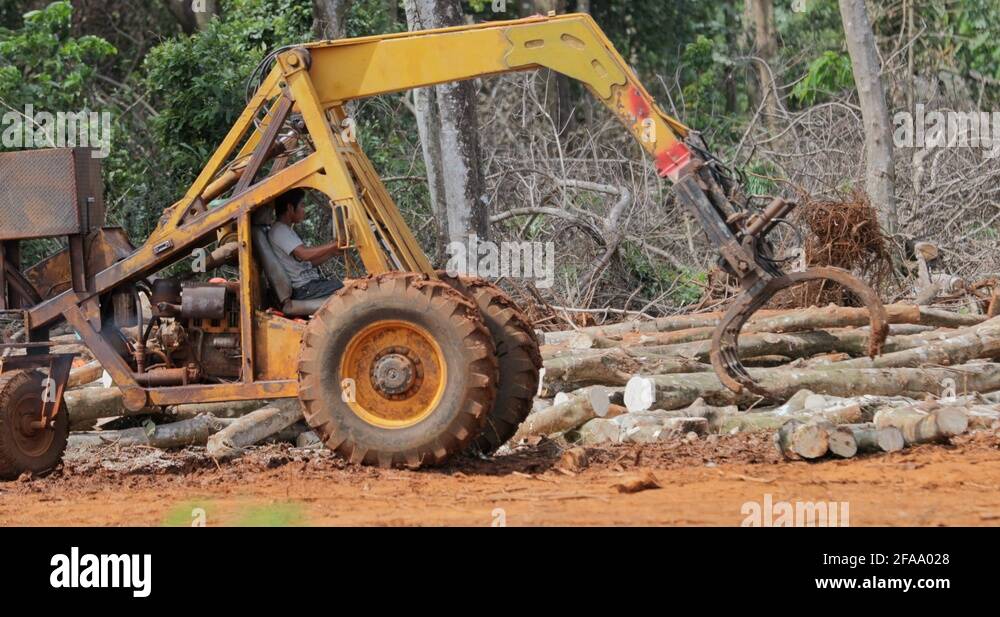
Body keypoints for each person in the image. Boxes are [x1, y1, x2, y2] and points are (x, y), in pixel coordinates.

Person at [267, 189, 345, 301]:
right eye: (302, 206)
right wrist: (334, 245)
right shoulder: (279, 230)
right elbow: (304, 254)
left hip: (309, 286)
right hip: (304, 289)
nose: (305, 211)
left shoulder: (286, 230)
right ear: (290, 208)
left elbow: (306, 263)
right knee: (348, 289)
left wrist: (332, 253)